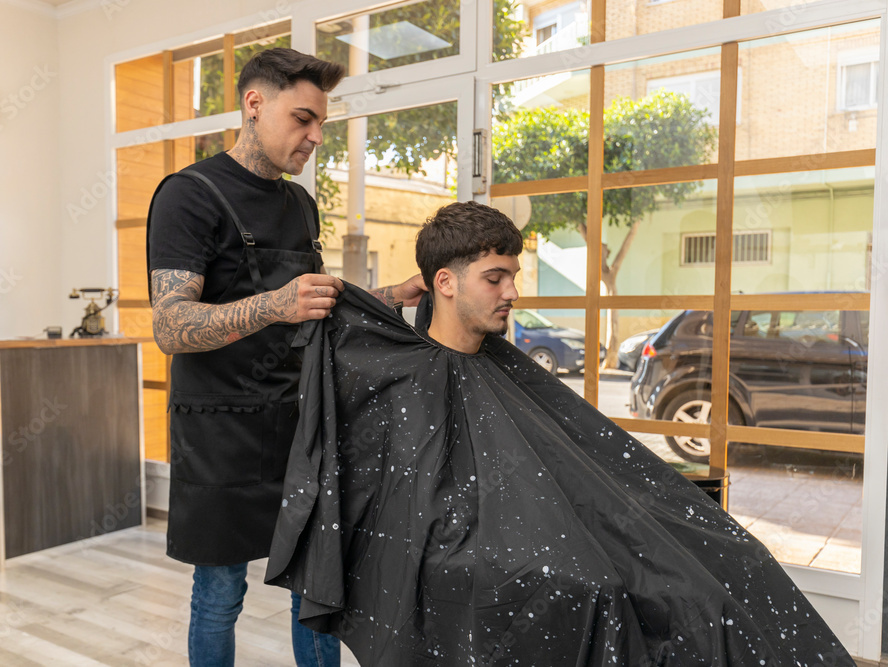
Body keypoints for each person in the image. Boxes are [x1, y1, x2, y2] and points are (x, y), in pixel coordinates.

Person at [265, 201, 855, 666]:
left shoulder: (506, 369)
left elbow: (583, 468)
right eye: (495, 279)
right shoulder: (408, 379)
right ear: (444, 282)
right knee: (597, 591)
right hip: (471, 552)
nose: (513, 294)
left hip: (548, 530)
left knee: (734, 557)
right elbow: (414, 509)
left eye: (512, 277)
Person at [146, 47, 425, 667]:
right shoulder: (188, 196)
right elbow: (170, 326)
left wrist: (388, 297)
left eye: (320, 123)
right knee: (220, 594)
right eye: (303, 119)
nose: (315, 137)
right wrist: (272, 304)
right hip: (219, 432)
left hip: (298, 425)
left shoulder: (300, 204)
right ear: (254, 104)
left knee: (316, 589)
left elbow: (314, 303)